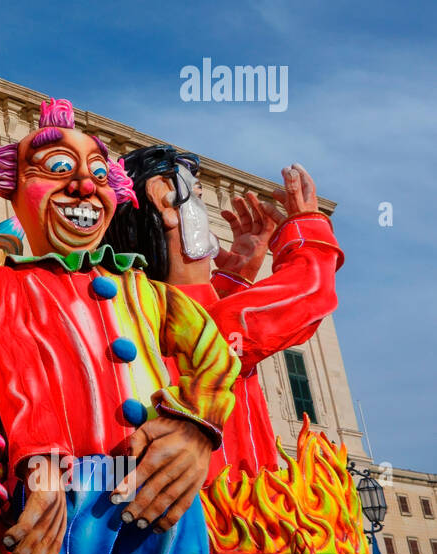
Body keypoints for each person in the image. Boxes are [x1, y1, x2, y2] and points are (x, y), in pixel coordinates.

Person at [0, 98, 239, 554]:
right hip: (71, 483)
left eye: (95, 174)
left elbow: (215, 358)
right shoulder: (2, 286)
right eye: (59, 170)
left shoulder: (146, 290)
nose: (83, 188)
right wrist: (39, 475)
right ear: (12, 185)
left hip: (158, 478)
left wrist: (194, 430)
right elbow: (22, 382)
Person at [102, 148, 342, 483]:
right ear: (164, 202)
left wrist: (234, 279)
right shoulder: (201, 328)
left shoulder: (154, 315)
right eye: (197, 197)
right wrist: (305, 229)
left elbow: (217, 327)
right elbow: (309, 293)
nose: (201, 209)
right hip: (236, 520)